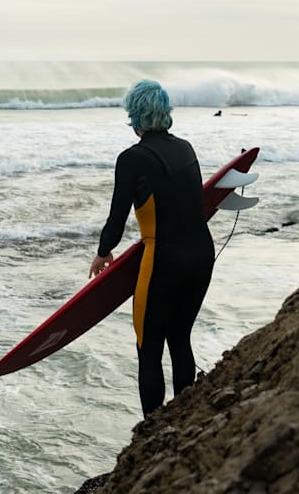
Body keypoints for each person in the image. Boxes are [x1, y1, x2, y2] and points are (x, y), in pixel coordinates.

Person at [90, 79, 214, 416]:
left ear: (135, 115)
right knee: (180, 338)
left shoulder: (132, 159)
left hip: (164, 261)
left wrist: (103, 252)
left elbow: (117, 217)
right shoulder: (186, 148)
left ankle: (152, 430)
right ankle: (186, 417)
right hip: (202, 256)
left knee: (149, 349)